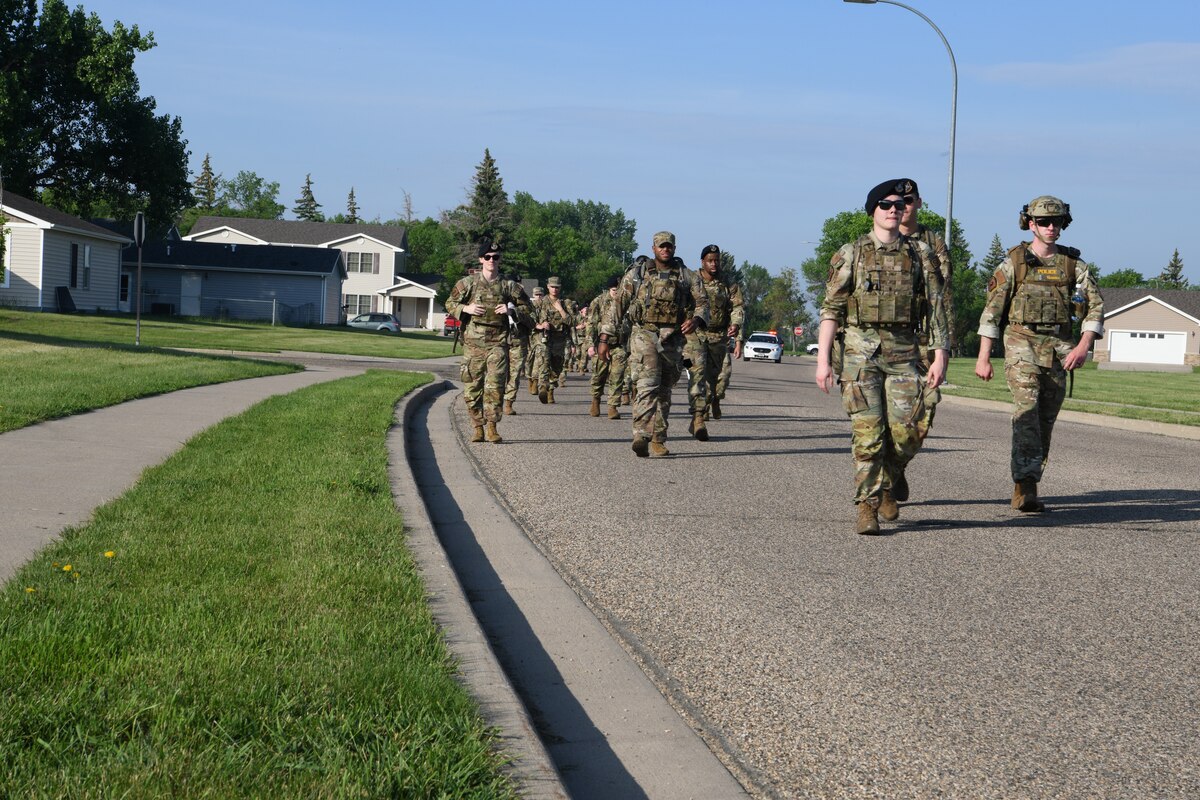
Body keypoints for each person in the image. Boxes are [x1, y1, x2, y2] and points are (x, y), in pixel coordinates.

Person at [815, 180, 948, 534]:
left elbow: (936, 308)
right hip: (861, 354)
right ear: (873, 210)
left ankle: (891, 476)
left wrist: (940, 355)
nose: (895, 209)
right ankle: (867, 505)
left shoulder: (921, 254)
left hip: (906, 352)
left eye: (901, 204)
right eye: (886, 204)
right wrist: (823, 360)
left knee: (909, 431)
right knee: (868, 434)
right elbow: (831, 309)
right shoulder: (852, 253)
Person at [974, 195, 1104, 512]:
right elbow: (991, 313)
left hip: (1060, 348)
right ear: (1030, 224)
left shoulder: (1074, 266)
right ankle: (1025, 485)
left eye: (1056, 221)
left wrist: (1084, 346)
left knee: (1045, 419)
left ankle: (1030, 477)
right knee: (1027, 412)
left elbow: (1095, 309)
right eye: (1043, 221)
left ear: (1063, 225)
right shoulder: (1013, 264)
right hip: (1021, 341)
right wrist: (983, 356)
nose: (1050, 227)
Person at [598, 231, 709, 457]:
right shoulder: (637, 275)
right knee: (647, 384)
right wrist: (604, 338)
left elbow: (702, 302)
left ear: (674, 248)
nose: (665, 249)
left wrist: (697, 319)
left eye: (668, 246)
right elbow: (617, 305)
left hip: (673, 339)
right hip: (644, 334)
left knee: (665, 390)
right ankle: (641, 434)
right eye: (661, 246)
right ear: (653, 248)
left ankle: (658, 438)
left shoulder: (686, 277)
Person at [895, 178, 952, 494]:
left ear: (918, 203)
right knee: (888, 415)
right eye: (897, 201)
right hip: (888, 339)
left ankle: (897, 464)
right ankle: (887, 478)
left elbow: (940, 283)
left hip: (924, 337)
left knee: (922, 414)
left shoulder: (932, 240)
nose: (903, 207)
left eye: (909, 200)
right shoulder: (876, 240)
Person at [443, 240, 532, 443]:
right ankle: (477, 427)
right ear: (481, 259)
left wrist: (512, 310)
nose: (492, 260)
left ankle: (492, 427)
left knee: (495, 386)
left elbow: (529, 309)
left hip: (498, 343)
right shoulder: (468, 283)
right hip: (473, 343)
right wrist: (466, 309)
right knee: (472, 387)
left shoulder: (508, 286)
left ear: (500, 260)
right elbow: (449, 303)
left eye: (496, 257)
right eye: (488, 257)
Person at [684, 244, 745, 434]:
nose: (714, 264)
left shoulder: (728, 282)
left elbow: (737, 307)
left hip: (720, 336)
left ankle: (715, 400)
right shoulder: (692, 280)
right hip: (696, 335)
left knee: (721, 379)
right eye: (710, 260)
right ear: (702, 262)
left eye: (717, 260)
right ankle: (699, 418)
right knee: (698, 376)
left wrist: (736, 326)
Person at [587, 276, 627, 419]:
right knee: (599, 376)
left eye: (619, 289)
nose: (617, 292)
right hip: (601, 344)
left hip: (619, 345)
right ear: (609, 289)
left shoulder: (626, 302)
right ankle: (596, 400)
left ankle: (613, 406)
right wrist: (590, 345)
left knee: (617, 375)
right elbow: (591, 323)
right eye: (614, 290)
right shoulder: (599, 301)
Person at [534, 276, 573, 403]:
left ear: (560, 287)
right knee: (544, 364)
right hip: (544, 339)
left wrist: (561, 309)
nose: (554, 289)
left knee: (557, 368)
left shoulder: (566, 303)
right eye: (552, 287)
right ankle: (543, 388)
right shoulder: (540, 302)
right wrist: (539, 325)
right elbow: (530, 317)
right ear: (547, 287)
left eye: (557, 287)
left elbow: (572, 321)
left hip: (559, 340)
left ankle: (551, 388)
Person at [502, 277, 535, 416]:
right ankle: (495, 401)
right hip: (498, 340)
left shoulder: (525, 303)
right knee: (498, 373)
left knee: (514, 374)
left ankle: (509, 402)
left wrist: (514, 312)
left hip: (518, 339)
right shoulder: (495, 298)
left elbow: (532, 320)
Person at [527, 285, 544, 396]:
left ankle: (535, 381)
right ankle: (530, 379)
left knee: (539, 360)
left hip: (540, 337)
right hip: (529, 336)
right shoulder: (529, 306)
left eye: (540, 295)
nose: (538, 297)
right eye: (536, 295)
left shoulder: (546, 306)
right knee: (529, 361)